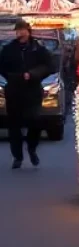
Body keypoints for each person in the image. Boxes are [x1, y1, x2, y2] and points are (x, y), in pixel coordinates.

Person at [0, 19, 55, 169]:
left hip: (32, 91)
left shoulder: (37, 48)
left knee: (35, 121)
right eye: (17, 30)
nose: (19, 33)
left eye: (22, 30)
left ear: (28, 31)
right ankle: (17, 156)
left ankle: (32, 148)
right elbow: (2, 67)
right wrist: (13, 77)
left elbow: (49, 66)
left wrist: (33, 74)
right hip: (14, 91)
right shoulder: (9, 49)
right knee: (14, 126)